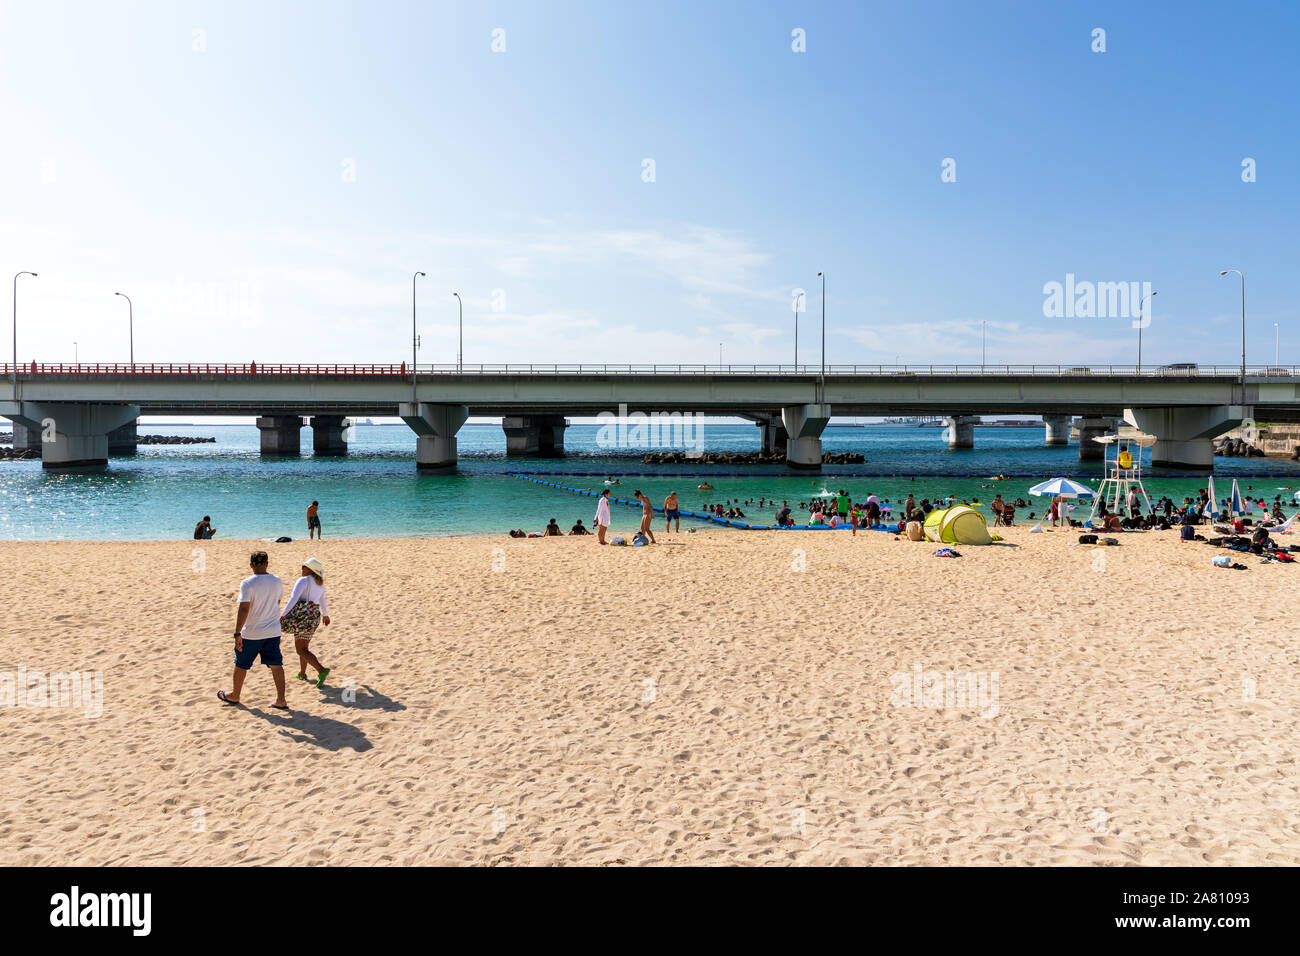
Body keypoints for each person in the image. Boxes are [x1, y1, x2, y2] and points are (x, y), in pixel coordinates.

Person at [219, 551, 287, 708]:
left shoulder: (247, 583)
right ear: (267, 564)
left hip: (252, 632)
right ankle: (281, 700)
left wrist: (237, 633)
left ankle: (235, 695)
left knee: (241, 664)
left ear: (251, 565)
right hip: (273, 631)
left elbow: (244, 608)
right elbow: (277, 602)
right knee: (276, 664)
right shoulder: (277, 581)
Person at [281, 558, 331, 688]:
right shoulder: (320, 583)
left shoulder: (303, 581)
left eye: (304, 567)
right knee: (303, 647)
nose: (302, 569)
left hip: (302, 616)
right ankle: (302, 674)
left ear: (310, 570)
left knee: (301, 649)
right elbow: (322, 600)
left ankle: (321, 670)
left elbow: (293, 598)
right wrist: (325, 614)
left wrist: (283, 614)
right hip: (314, 616)